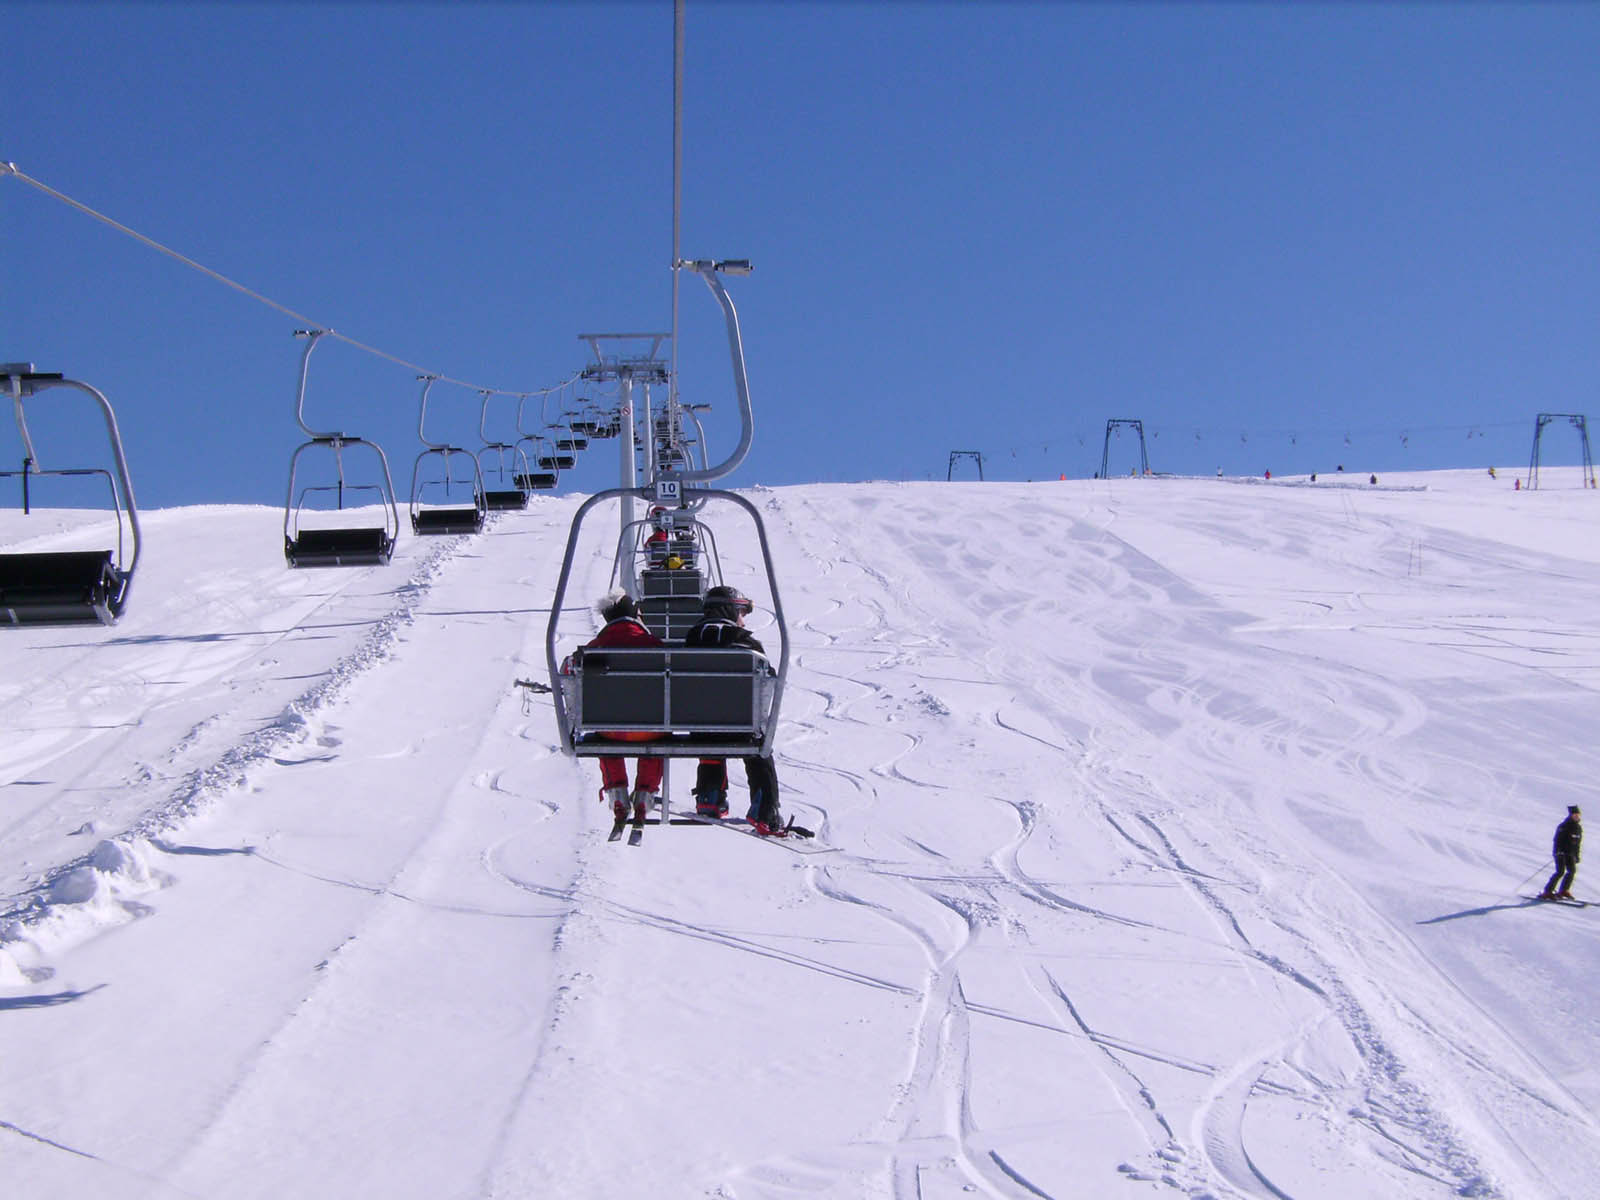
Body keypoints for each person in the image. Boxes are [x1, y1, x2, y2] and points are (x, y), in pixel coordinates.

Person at [685, 585, 810, 837]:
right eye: (741, 612)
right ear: (729, 610)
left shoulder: (690, 640)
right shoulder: (747, 644)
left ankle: (710, 795)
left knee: (710, 728)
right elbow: (767, 683)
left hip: (700, 729)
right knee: (759, 748)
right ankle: (765, 810)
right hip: (741, 729)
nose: (743, 619)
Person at [584, 590, 663, 824]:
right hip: (650, 729)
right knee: (656, 742)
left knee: (606, 738)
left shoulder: (595, 647)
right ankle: (645, 794)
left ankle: (617, 794)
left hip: (611, 730)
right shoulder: (653, 645)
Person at [1540, 805, 1582, 900]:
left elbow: (1577, 843)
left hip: (1570, 853)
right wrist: (1558, 851)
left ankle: (1563, 890)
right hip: (1561, 853)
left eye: (1578, 815)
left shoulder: (1578, 828)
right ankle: (1547, 891)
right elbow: (1557, 840)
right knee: (1560, 871)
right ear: (1570, 815)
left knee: (1572, 871)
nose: (1576, 817)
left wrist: (1576, 855)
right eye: (1574, 815)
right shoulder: (1564, 826)